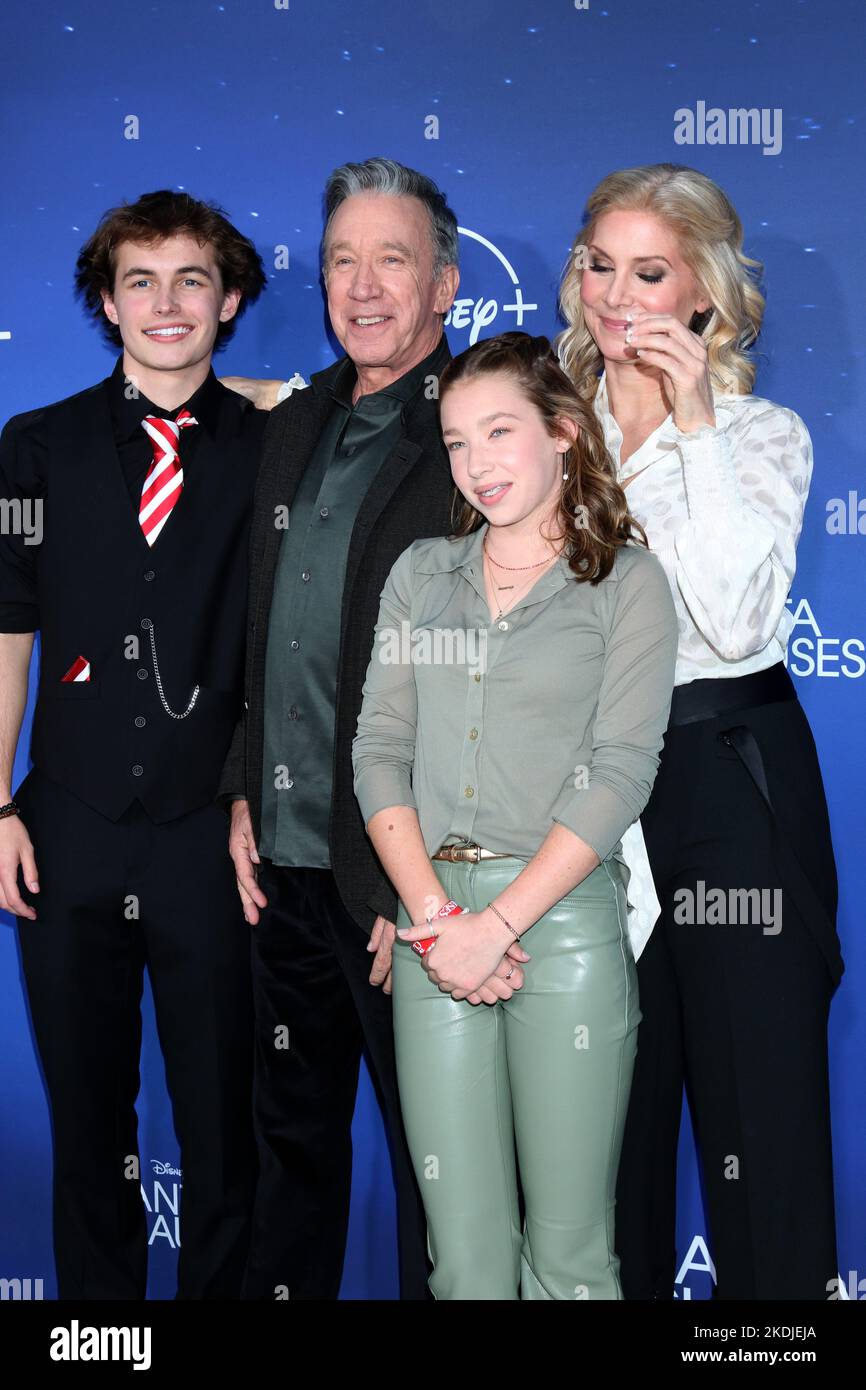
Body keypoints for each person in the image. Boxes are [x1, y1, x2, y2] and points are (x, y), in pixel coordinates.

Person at [556, 162, 843, 1300]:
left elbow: (730, 619)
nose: (617, 294)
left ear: (702, 294)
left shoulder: (760, 435)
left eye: (648, 271)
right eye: (598, 265)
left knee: (758, 1130)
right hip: (581, 800)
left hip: (728, 786)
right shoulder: (541, 434)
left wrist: (690, 423)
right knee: (600, 1141)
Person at [351, 331, 678, 1299]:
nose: (476, 463)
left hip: (563, 926)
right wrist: (439, 919)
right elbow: (377, 751)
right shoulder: (421, 573)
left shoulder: (625, 583)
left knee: (571, 1254)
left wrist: (495, 924)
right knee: (463, 1255)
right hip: (432, 926)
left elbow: (621, 773)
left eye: (498, 431)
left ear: (564, 434)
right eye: (455, 442)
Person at [0, 190, 268, 1298]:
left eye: (191, 279)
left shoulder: (276, 449)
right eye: (140, 281)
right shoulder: (34, 448)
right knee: (87, 1121)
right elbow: (7, 628)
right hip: (67, 826)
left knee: (225, 1120)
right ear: (107, 304)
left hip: (215, 833)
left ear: (230, 298)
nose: (167, 303)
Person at [217, 157, 461, 1301]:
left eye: (392, 259)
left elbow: (493, 677)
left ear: (445, 284)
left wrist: (418, 880)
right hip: (282, 869)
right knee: (289, 1167)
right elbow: (265, 629)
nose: (362, 286)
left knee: (440, 1184)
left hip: (401, 883)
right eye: (339, 261)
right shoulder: (296, 419)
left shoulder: (480, 434)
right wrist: (240, 793)